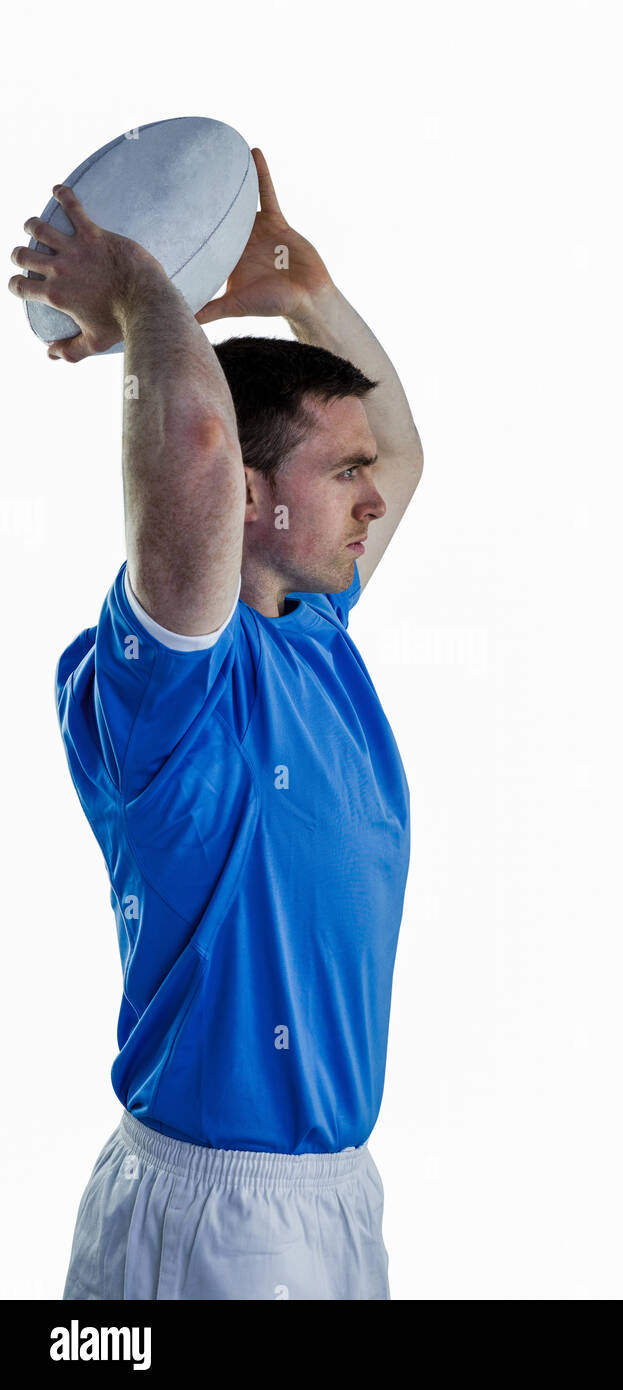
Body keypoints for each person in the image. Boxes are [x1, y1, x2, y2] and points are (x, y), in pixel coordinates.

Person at [8, 148, 423, 1300]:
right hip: (212, 1223)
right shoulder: (166, 684)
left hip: (334, 1196)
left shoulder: (310, 635)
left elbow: (402, 451)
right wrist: (141, 291)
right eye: (339, 472)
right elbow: (190, 447)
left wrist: (303, 296)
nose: (373, 494)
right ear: (249, 495)